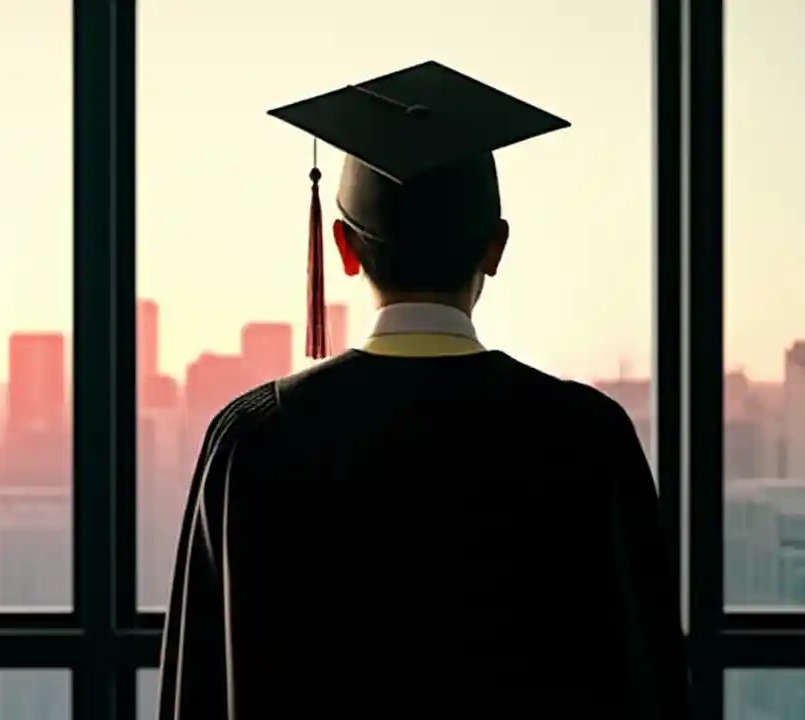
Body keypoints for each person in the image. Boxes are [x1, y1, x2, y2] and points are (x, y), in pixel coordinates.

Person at [156, 61, 691, 719]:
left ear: (344, 247)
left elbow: (203, 691)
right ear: (495, 248)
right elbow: (648, 687)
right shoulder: (587, 438)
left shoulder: (255, 439)